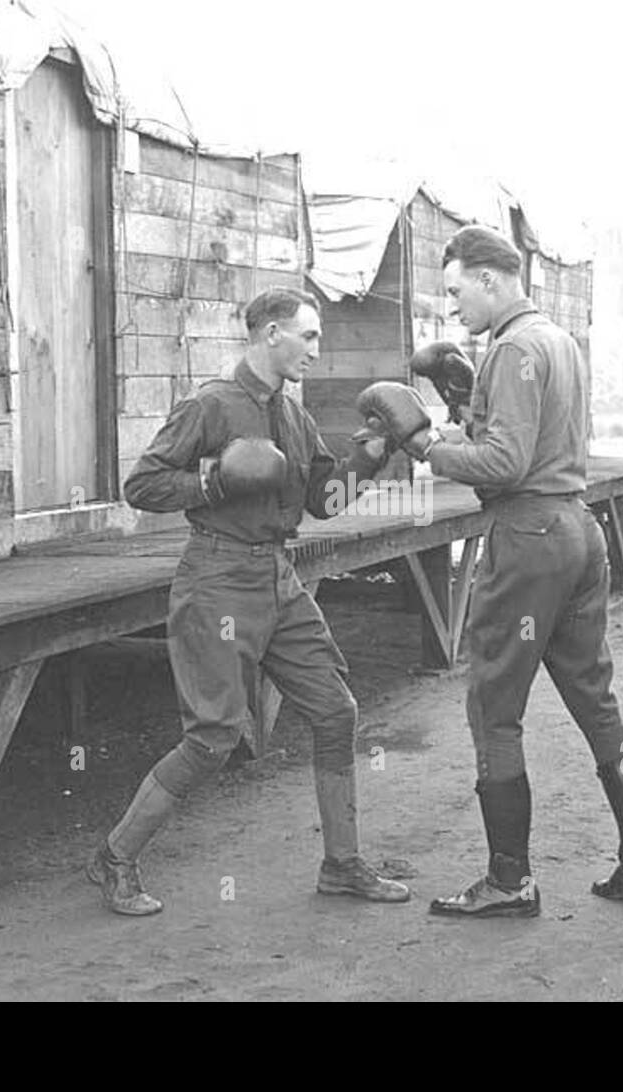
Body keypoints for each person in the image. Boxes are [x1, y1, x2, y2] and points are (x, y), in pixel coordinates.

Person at [88, 286, 411, 915]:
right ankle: (115, 856)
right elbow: (142, 485)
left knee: (335, 710)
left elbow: (323, 502)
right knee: (213, 738)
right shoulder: (210, 404)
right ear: (270, 334)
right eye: (309, 336)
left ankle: (342, 865)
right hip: (216, 577)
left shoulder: (294, 416)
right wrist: (212, 478)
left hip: (278, 578)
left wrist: (369, 458)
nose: (318, 350)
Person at [409, 225, 623, 917]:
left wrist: (427, 444)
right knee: (594, 701)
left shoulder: (514, 348)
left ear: (490, 280)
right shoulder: (557, 341)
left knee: (494, 708)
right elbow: (518, 441)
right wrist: (466, 417)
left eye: (458, 288)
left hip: (527, 535)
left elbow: (504, 465)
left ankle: (508, 880)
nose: (454, 305)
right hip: (577, 528)